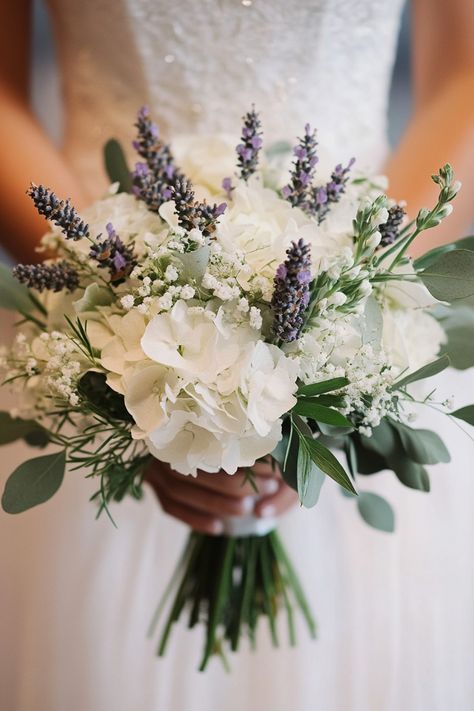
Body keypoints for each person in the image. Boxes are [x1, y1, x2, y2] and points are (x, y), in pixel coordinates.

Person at [0, 1, 473, 709]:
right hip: (94, 292)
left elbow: (463, 79)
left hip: (358, 308)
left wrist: (354, 316)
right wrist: (129, 354)